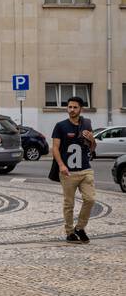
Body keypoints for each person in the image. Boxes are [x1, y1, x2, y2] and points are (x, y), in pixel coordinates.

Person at [51, 95, 96, 243]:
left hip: (85, 170)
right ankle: (70, 232)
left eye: (75, 107)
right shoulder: (60, 126)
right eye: (69, 107)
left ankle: (80, 227)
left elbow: (93, 148)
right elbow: (55, 148)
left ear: (80, 109)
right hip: (68, 172)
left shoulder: (87, 124)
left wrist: (92, 139)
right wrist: (61, 165)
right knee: (69, 204)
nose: (71, 109)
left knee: (90, 199)